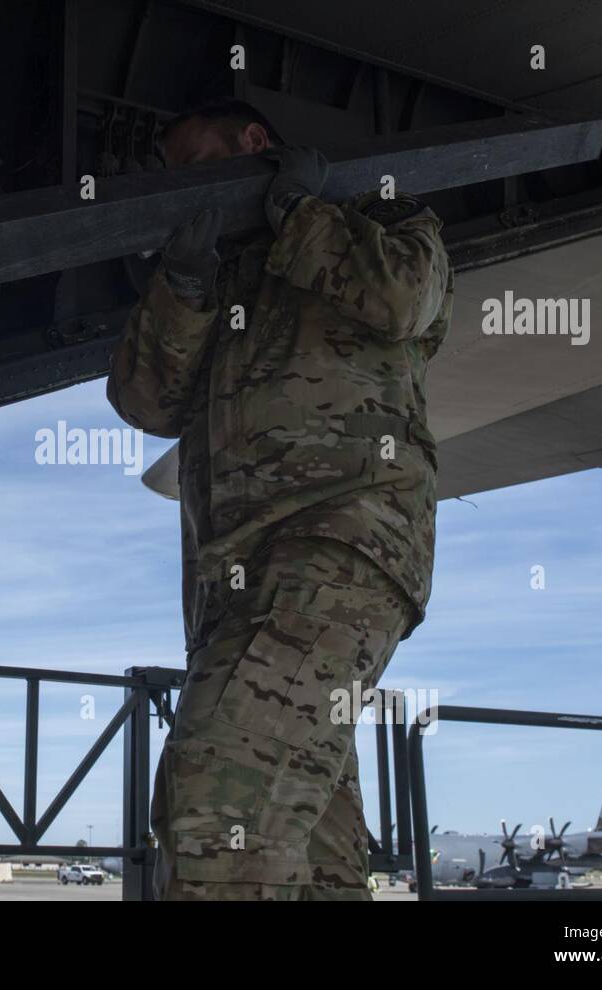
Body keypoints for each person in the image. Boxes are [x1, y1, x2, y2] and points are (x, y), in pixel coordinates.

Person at [106, 99, 454, 900]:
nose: (184, 186)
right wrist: (182, 288)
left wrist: (298, 211)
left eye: (196, 164)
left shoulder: (382, 220)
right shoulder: (219, 281)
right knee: (314, 850)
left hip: (342, 542)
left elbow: (402, 299)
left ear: (254, 142)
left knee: (213, 798)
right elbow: (145, 402)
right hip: (232, 582)